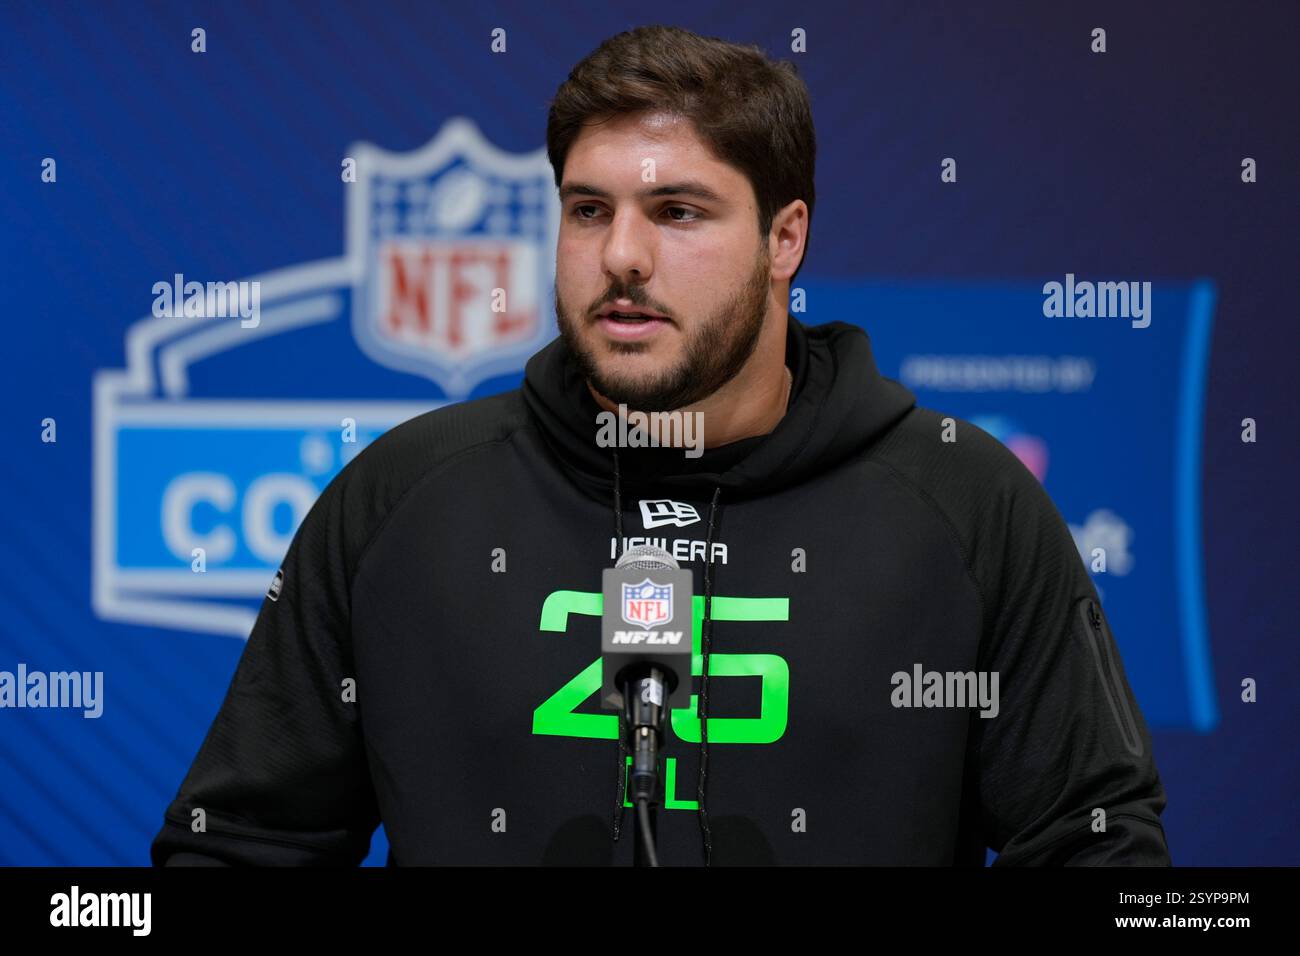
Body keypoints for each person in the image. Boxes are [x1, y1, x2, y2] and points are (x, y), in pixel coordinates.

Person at [151, 24, 1170, 866]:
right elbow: (237, 846)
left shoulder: (963, 502)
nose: (622, 256)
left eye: (677, 212)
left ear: (786, 239)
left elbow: (1096, 850)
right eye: (588, 211)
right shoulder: (402, 501)